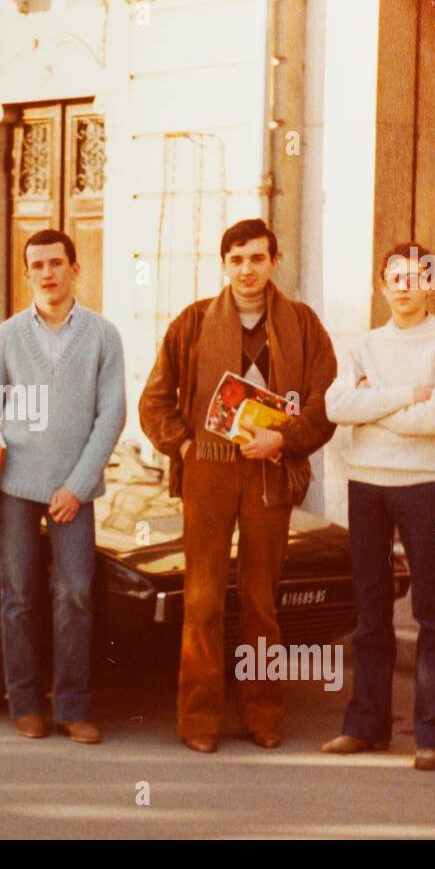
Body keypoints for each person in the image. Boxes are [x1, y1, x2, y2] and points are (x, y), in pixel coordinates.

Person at [139, 218, 337, 753]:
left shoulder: (301, 325)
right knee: (202, 601)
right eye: (236, 259)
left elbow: (326, 404)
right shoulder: (193, 322)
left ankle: (263, 714)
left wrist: (284, 441)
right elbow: (153, 401)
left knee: (260, 601)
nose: (246, 269)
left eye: (256, 258)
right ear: (223, 265)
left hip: (271, 470)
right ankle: (199, 720)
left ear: (274, 262)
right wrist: (182, 446)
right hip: (208, 468)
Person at [0, 229, 126, 744]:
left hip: (74, 492)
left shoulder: (103, 335)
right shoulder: (8, 336)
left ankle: (73, 707)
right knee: (19, 596)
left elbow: (113, 415)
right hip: (14, 489)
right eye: (38, 265)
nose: (48, 273)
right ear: (28, 272)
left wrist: (78, 485)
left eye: (57, 263)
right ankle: (26, 701)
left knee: (75, 592)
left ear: (75, 269)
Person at [320, 242, 435, 771]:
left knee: (432, 609)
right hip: (366, 486)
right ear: (381, 286)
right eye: (395, 277)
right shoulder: (360, 345)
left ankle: (433, 736)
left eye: (416, 277)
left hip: (421, 486)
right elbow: (337, 405)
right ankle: (366, 726)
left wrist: (375, 406)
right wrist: (409, 394)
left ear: (431, 284)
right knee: (370, 607)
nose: (405, 286)